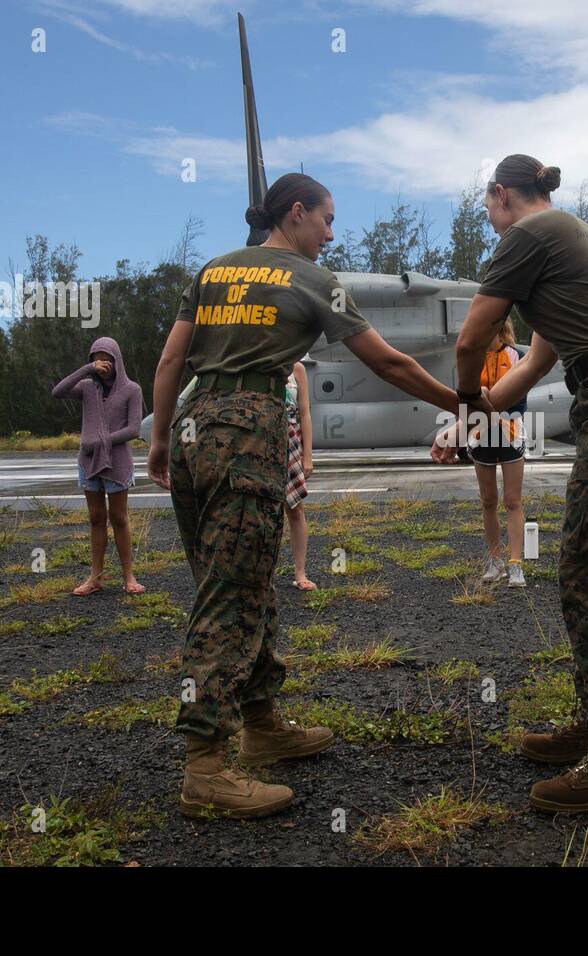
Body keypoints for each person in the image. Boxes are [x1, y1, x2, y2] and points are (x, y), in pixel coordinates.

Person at [148, 171, 492, 820]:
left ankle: (261, 723)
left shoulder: (215, 272)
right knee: (230, 598)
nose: (331, 234)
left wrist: (163, 441)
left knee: (239, 583)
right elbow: (387, 362)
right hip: (250, 427)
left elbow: (170, 362)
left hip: (197, 427)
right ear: (297, 213)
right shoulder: (313, 281)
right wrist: (462, 403)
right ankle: (204, 768)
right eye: (328, 220)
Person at [432, 154, 588, 812]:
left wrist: (461, 410)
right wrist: (476, 420)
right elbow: (531, 365)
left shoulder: (527, 236)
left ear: (499, 194)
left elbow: (470, 341)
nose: (489, 222)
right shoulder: (575, 239)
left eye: (487, 208)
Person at [52, 337, 146, 595]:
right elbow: (58, 392)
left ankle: (129, 576)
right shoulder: (86, 387)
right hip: (89, 461)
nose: (101, 361)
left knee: (118, 517)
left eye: (106, 357)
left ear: (117, 360)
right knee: (96, 518)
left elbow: (134, 429)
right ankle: (95, 577)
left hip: (117, 463)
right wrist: (86, 370)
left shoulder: (131, 389)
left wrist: (100, 440)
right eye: (96, 356)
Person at [471, 325, 527, 588]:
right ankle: (495, 562)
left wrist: (487, 397)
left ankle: (516, 565)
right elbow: (465, 397)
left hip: (510, 430)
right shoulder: (471, 358)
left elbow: (519, 401)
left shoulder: (515, 355)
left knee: (512, 500)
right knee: (488, 501)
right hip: (480, 433)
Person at [284, 360, 316, 591]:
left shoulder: (297, 369)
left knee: (296, 507)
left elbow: (305, 413)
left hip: (291, 439)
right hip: (260, 439)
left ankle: (300, 572)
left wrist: (307, 456)